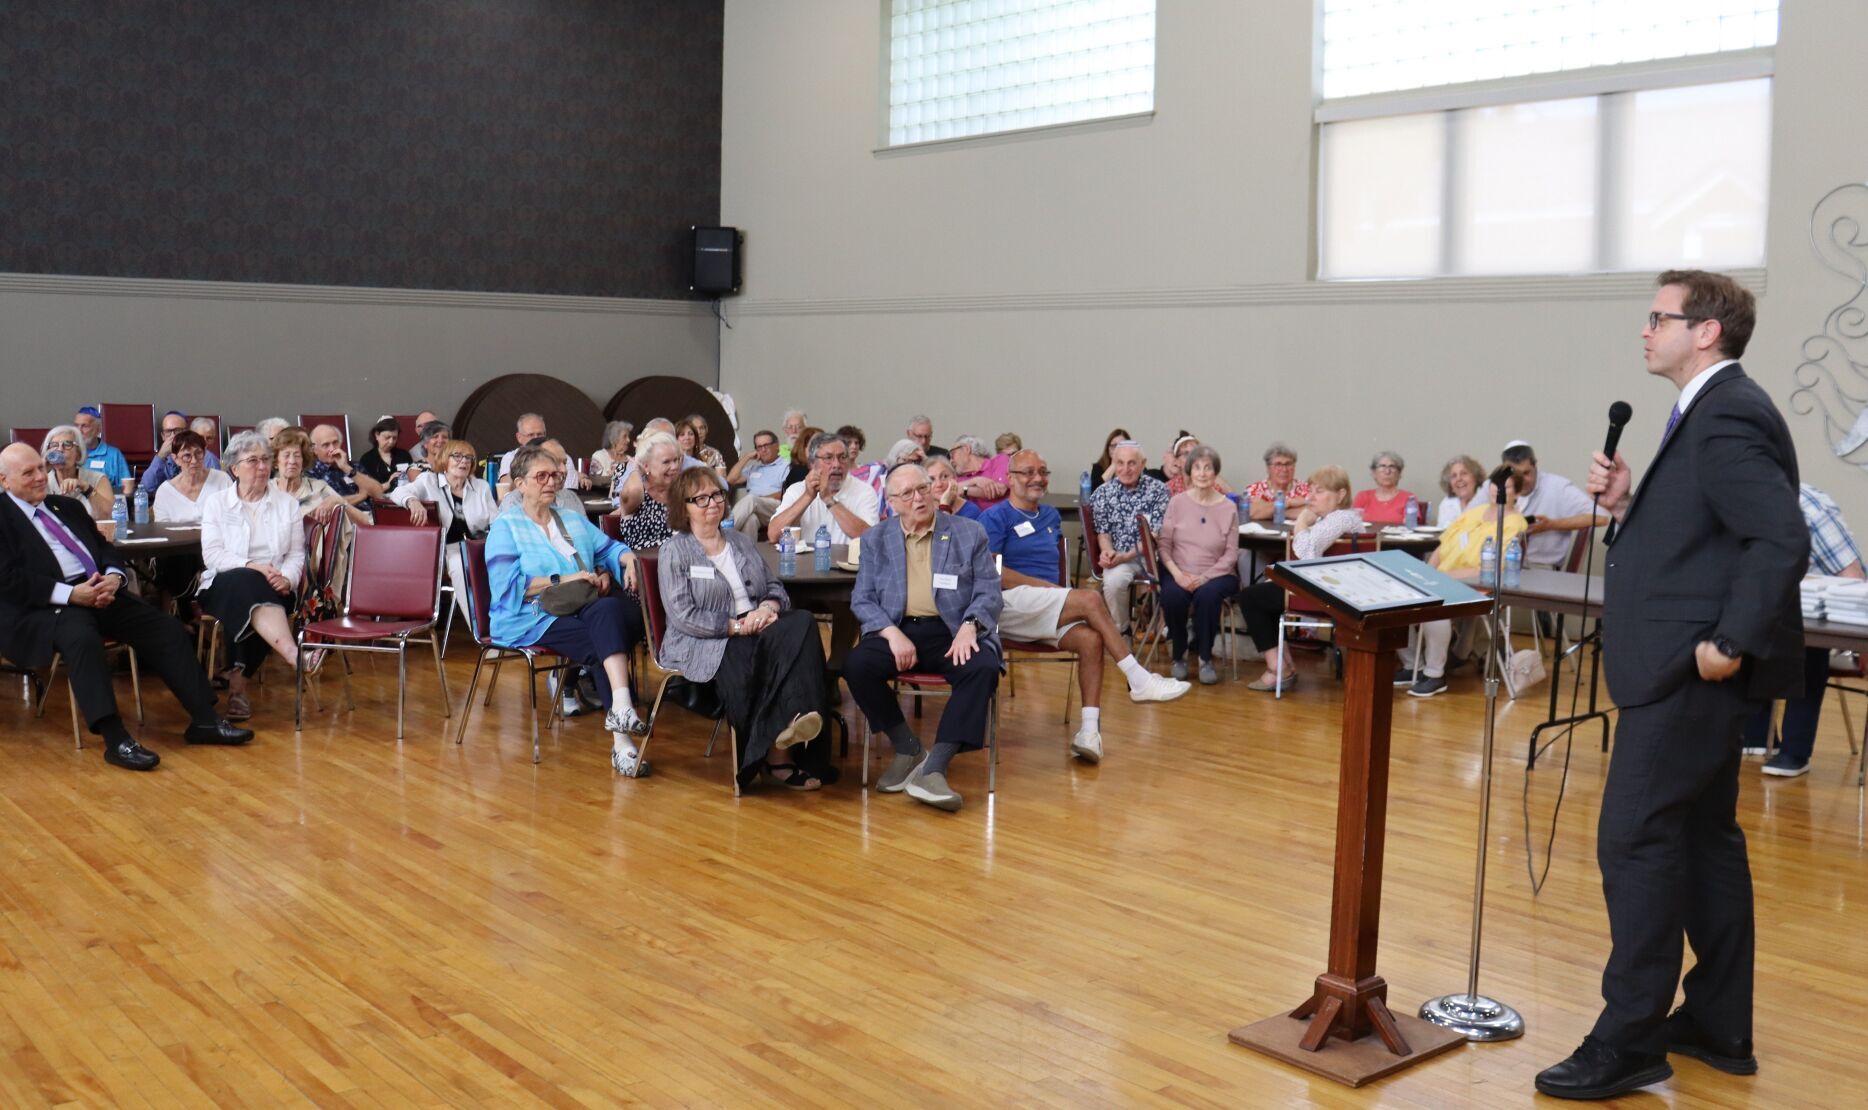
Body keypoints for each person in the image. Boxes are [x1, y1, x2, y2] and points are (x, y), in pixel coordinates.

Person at [1536, 270, 1808, 1100]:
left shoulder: (1725, 413)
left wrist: (1728, 642)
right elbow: (1704, 537)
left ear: (1707, 332)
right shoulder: (1716, 409)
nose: (1645, 330)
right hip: (1684, 670)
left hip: (1687, 673)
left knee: (1635, 841)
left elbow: (1778, 537)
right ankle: (1720, 1023)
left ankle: (1627, 1040)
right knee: (1703, 842)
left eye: (1659, 318)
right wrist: (1626, 507)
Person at [0, 443, 253, 770]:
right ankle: (115, 738)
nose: (40, 477)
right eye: (28, 473)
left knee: (166, 628)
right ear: (4, 481)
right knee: (83, 640)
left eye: (40, 468)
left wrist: (114, 577)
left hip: (100, 591)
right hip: (44, 606)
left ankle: (204, 719)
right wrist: (70, 594)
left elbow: (104, 548)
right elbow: (8, 578)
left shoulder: (66, 506)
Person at [982, 449, 1192, 758]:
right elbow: (992, 571)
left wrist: (1056, 594)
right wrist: (1053, 591)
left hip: (1047, 606)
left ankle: (1089, 733)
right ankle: (1139, 679)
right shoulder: (995, 516)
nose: (1037, 478)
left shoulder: (1051, 515)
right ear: (1009, 479)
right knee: (1091, 597)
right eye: (1028, 472)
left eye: (1042, 471)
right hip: (1009, 606)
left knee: (1091, 639)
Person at [657, 468, 832, 790]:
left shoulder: (740, 541)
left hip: (756, 624)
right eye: (701, 499)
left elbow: (774, 586)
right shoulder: (675, 551)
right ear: (684, 508)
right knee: (761, 654)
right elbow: (682, 615)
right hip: (709, 638)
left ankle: (794, 722)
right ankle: (779, 751)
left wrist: (767, 609)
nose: (712, 503)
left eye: (717, 495)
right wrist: (736, 626)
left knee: (802, 622)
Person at [845, 463, 1003, 811]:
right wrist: (891, 634)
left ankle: (934, 768)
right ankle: (907, 747)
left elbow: (989, 592)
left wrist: (969, 626)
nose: (918, 498)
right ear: (891, 504)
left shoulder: (968, 532)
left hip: (951, 629)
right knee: (856, 665)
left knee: (983, 667)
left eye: (922, 488)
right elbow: (863, 599)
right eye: (907, 494)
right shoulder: (876, 538)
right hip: (897, 629)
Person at [487, 443, 651, 774]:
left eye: (556, 475)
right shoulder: (506, 527)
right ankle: (623, 743)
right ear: (520, 484)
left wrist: (627, 560)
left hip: (578, 605)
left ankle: (620, 707)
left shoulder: (572, 519)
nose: (551, 482)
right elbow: (508, 586)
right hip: (529, 616)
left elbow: (610, 547)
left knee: (608, 615)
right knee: (602, 642)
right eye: (541, 476)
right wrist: (566, 577)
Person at [1742, 484, 1863, 778]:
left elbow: (1855, 580)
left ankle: (1796, 751)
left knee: (1805, 644)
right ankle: (1757, 736)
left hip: (1824, 610)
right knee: (1742, 625)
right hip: (1770, 608)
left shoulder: (1809, 507)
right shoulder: (1732, 500)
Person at [198, 431, 316, 721]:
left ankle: (238, 690)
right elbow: (212, 556)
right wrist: (254, 565)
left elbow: (296, 555)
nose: (262, 467)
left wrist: (287, 578)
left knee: (253, 596)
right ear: (234, 468)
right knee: (245, 581)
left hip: (275, 587)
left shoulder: (287, 504)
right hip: (221, 584)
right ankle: (291, 652)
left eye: (265, 460)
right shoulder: (217, 503)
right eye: (252, 461)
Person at [1392, 472, 1528, 698]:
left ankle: (1435, 674)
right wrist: (1429, 571)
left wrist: (1446, 577)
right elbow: (1443, 545)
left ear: (1518, 492)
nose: (1499, 490)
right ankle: (1411, 664)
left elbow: (1494, 567)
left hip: (1478, 584)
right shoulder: (1474, 512)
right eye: (1495, 485)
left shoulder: (1514, 522)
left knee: (1434, 605)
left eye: (1507, 487)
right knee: (1395, 598)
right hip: (1443, 576)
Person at [1234, 465, 1362, 692]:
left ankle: (1278, 669)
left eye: (1320, 491)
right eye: (1310, 490)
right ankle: (1283, 665)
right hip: (1326, 591)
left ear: (1341, 495)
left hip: (1326, 596)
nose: (1310, 497)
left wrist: (1302, 519)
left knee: (1251, 598)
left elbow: (1306, 552)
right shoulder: (1336, 519)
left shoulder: (1340, 519)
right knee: (1264, 593)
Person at [1155, 446, 1241, 685]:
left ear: (1216, 473)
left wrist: (1204, 577)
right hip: (1178, 569)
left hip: (1217, 573)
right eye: (1197, 468)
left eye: (1208, 468)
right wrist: (1177, 574)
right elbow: (1164, 545)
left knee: (1207, 596)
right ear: (1189, 472)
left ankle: (1205, 658)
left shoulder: (1228, 508)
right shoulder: (1177, 503)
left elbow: (1231, 555)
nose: (1202, 473)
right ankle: (1179, 656)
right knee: (1173, 595)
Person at [396, 437, 497, 629]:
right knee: (461, 565)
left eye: (468, 458)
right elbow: (398, 494)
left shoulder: (480, 487)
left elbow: (496, 522)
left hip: (480, 547)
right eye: (457, 456)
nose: (463, 461)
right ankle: (484, 631)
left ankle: (513, 628)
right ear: (445, 459)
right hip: (446, 552)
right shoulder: (428, 481)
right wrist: (413, 501)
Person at [1088, 440, 1170, 634]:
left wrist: (1125, 556)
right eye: (1120, 463)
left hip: (1152, 557)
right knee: (1113, 582)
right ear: (1113, 464)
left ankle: (1168, 631)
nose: (1125, 469)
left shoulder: (1159, 490)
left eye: (1132, 463)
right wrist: (1108, 552)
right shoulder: (1103, 493)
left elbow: (1154, 535)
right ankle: (1122, 631)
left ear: (1143, 463)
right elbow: (1103, 532)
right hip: (1119, 557)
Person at [1503, 441, 1609, 569]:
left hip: (1539, 569)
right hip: (1499, 565)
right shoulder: (1495, 487)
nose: (1523, 480)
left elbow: (1601, 517)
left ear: (1535, 465)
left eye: (1526, 473)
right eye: (1516, 475)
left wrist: (1551, 525)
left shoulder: (1558, 487)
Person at [767, 432, 878, 544]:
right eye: (828, 458)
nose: (836, 465)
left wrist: (829, 500)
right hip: (808, 560)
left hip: (850, 560)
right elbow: (773, 535)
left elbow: (870, 538)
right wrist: (807, 496)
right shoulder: (796, 490)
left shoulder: (864, 491)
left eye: (842, 457)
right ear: (812, 464)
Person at [272, 428, 366, 525]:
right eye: (286, 455)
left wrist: (338, 501)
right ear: (275, 461)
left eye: (297, 456)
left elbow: (364, 522)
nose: (292, 461)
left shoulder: (319, 488)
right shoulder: (264, 490)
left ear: (303, 462)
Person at [151, 430, 232, 524]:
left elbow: (234, 519)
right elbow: (163, 530)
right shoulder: (165, 492)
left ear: (205, 453)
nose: (194, 461)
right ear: (175, 459)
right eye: (187, 456)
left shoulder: (222, 480)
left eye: (198, 453)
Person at [619, 438, 684, 552]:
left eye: (676, 460)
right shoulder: (638, 492)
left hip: (682, 558)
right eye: (666, 462)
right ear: (646, 466)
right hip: (645, 564)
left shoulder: (681, 491)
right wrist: (636, 470)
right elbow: (633, 491)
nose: (674, 466)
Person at [39, 426, 114, 518]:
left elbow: (110, 516)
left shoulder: (97, 479)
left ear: (78, 454)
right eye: (54, 445)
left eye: (67, 444)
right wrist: (40, 470)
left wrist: (86, 488)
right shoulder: (42, 480)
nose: (59, 449)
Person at [309, 423, 384, 513]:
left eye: (335, 443)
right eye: (326, 445)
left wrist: (346, 468)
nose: (332, 448)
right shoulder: (312, 474)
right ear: (314, 449)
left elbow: (378, 493)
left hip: (373, 517)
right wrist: (360, 496)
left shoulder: (354, 466)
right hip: (346, 522)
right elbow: (325, 506)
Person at [139, 411, 221, 493]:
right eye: (168, 432)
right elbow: (146, 487)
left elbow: (215, 491)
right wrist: (161, 456)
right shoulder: (162, 458)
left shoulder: (206, 457)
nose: (173, 436)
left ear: (188, 433)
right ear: (163, 436)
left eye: (178, 430)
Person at [725, 428, 789, 534]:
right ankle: (748, 550)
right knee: (751, 520)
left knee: (751, 499)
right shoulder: (754, 468)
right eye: (759, 447)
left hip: (777, 508)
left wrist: (759, 499)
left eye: (766, 445)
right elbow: (731, 479)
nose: (763, 450)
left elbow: (786, 492)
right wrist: (746, 457)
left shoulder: (786, 466)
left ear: (777, 445)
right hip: (755, 508)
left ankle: (723, 534)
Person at [1244, 442, 1311, 522]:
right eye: (1278, 464)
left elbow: (1313, 512)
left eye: (1288, 464)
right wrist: (1288, 503)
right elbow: (1252, 513)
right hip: (1262, 534)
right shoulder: (1255, 489)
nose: (1284, 469)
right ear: (1268, 468)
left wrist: (1269, 511)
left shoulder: (1306, 488)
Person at [1352, 450, 1419, 525]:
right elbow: (1353, 524)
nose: (1387, 472)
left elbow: (1410, 526)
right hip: (1368, 536)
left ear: (1399, 474)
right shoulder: (1363, 496)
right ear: (1373, 473)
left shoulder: (1409, 498)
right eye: (1382, 466)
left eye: (1392, 467)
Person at [72, 406, 131, 489]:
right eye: (76, 425)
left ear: (98, 430)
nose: (78, 431)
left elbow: (125, 489)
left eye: (85, 426)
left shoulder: (114, 455)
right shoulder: (68, 452)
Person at [948, 434, 1009, 509]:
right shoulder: (958, 478)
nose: (951, 461)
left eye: (952, 454)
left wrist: (965, 489)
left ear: (966, 449)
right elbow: (950, 490)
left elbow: (1000, 489)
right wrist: (975, 481)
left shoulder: (999, 461)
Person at [355, 416, 412, 488]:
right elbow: (365, 488)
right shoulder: (367, 459)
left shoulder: (404, 455)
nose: (391, 442)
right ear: (377, 435)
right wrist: (388, 484)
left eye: (394, 438)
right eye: (387, 437)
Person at [1435, 454, 1491, 526]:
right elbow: (1443, 533)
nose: (1459, 479)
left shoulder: (1487, 500)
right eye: (1454, 476)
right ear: (1450, 486)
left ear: (1475, 478)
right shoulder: (1447, 504)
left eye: (1464, 473)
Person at [498, 413, 548, 490]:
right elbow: (505, 490)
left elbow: (569, 493)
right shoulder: (510, 457)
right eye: (531, 435)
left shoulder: (560, 456)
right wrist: (523, 457)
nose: (536, 439)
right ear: (519, 437)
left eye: (540, 434)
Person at [926, 456, 980, 520]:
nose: (939, 484)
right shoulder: (922, 510)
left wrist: (945, 506)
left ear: (955, 478)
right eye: (931, 479)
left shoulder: (971, 511)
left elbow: (944, 529)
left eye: (944, 476)